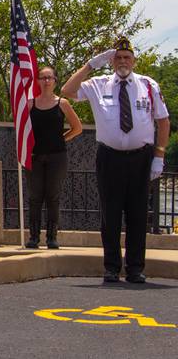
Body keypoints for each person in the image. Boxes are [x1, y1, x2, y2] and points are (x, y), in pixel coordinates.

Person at [62, 37, 170, 284]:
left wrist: (159, 156)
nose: (123, 61)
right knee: (110, 215)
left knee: (138, 214)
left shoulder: (148, 85)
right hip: (109, 157)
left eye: (127, 57)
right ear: (111, 62)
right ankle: (111, 267)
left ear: (134, 61)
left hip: (140, 158)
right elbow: (67, 91)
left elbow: (163, 122)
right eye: (118, 58)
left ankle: (135, 268)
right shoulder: (98, 84)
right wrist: (91, 64)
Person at [25, 66, 82, 249]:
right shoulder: (30, 103)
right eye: (43, 78)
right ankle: (33, 237)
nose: (46, 81)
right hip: (35, 156)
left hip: (57, 156)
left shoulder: (63, 103)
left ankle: (52, 237)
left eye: (50, 77)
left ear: (55, 81)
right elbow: (21, 128)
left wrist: (62, 139)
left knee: (53, 197)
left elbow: (77, 128)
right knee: (35, 197)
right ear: (38, 81)